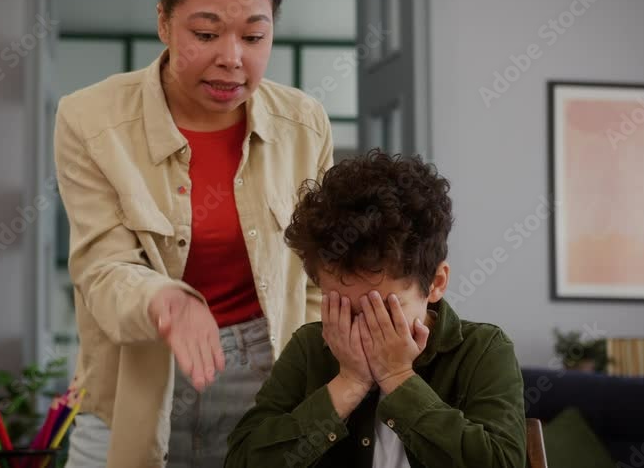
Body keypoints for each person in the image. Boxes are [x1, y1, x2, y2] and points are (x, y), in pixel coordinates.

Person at [53, 0, 334, 467]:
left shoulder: (304, 123)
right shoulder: (89, 119)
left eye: (254, 37)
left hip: (269, 375)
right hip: (133, 375)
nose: (232, 59)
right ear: (163, 22)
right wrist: (167, 302)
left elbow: (321, 274)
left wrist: (319, 372)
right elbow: (101, 268)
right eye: (206, 34)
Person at [225, 149, 527, 468]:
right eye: (343, 308)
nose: (365, 329)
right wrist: (349, 383)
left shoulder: (483, 351)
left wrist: (397, 377)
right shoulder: (310, 347)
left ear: (436, 283)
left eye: (382, 309)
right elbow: (242, 462)